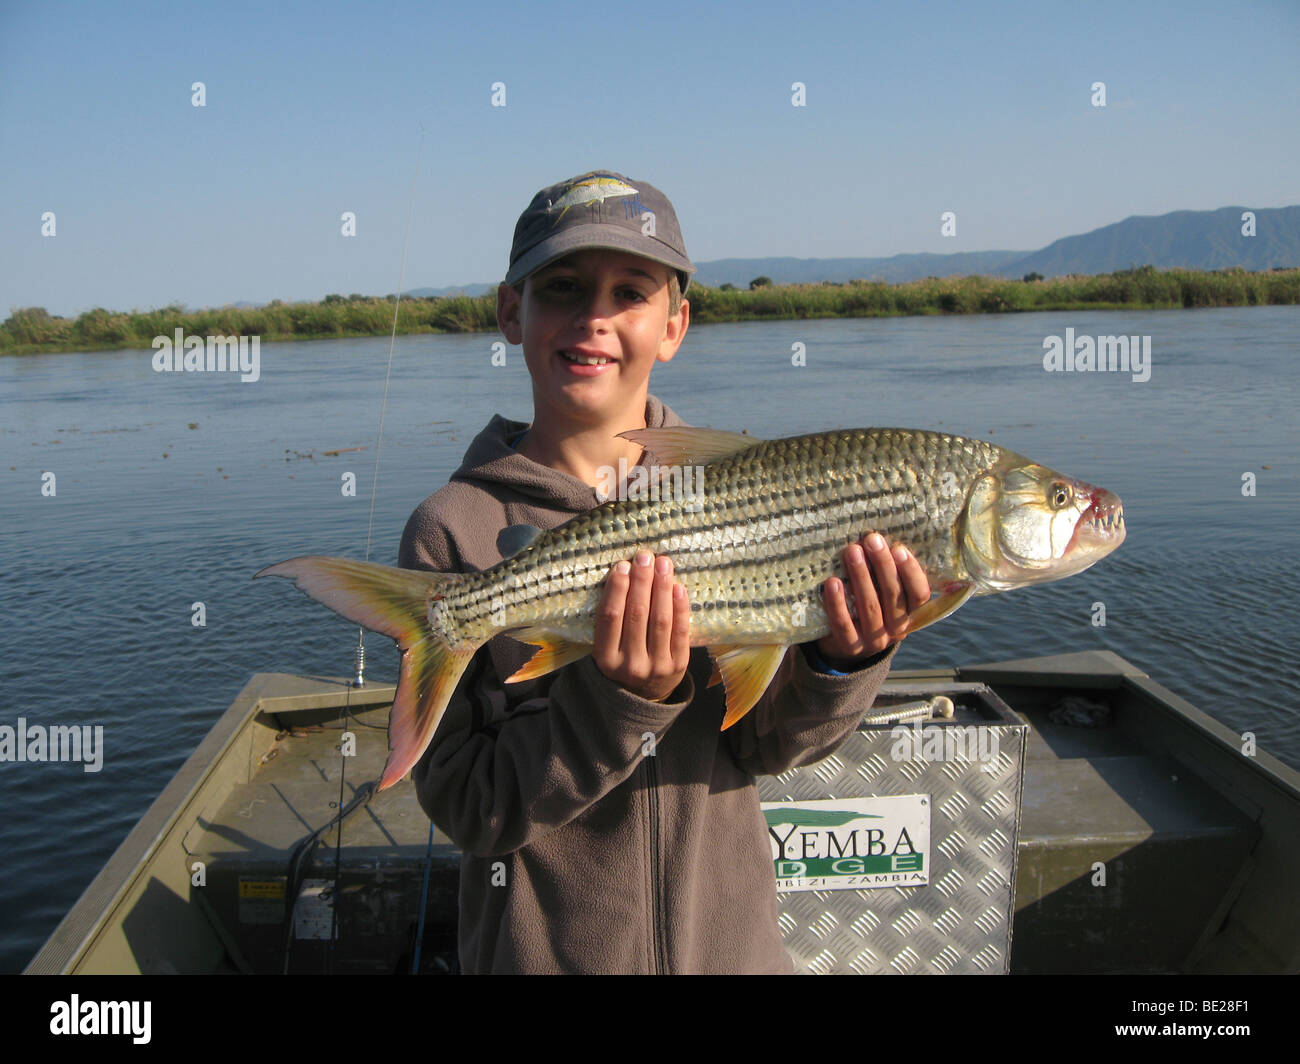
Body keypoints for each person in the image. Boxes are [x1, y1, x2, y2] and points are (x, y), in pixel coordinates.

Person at [398, 170, 931, 973]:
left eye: (630, 293)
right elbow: (474, 811)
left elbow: (763, 745)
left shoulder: (751, 486)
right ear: (512, 312)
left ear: (675, 324)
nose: (595, 319)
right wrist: (615, 704)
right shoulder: (453, 531)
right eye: (564, 288)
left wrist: (838, 661)